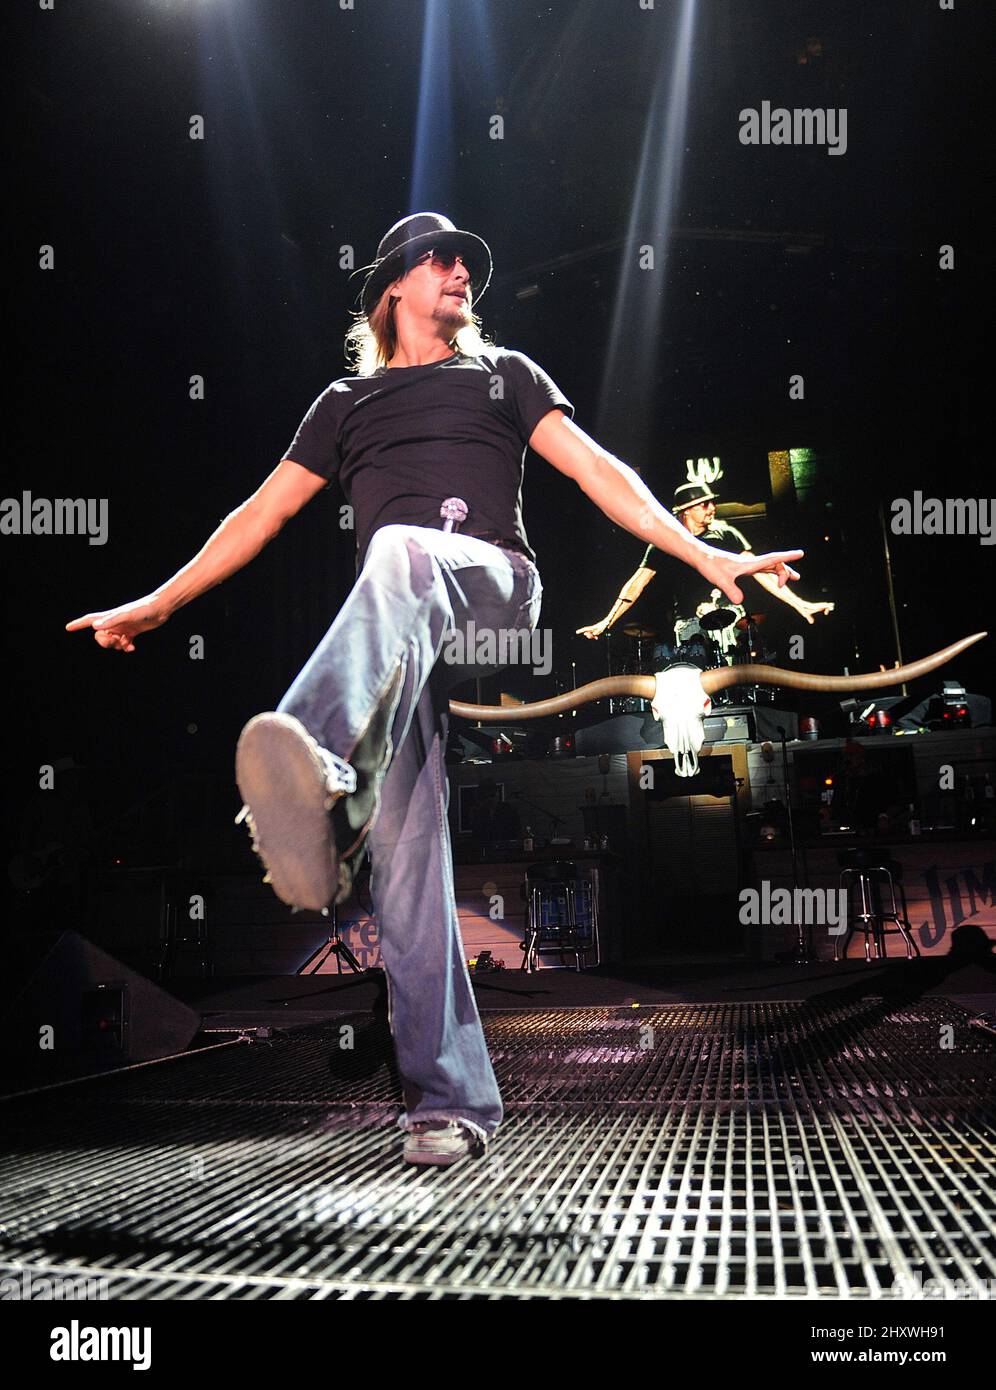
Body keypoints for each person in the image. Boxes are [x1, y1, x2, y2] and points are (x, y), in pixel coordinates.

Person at [67, 212, 804, 1167]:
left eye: (468, 264)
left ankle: (317, 759)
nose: (462, 273)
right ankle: (446, 1103)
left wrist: (697, 549)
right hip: (398, 641)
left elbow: (594, 470)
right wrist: (162, 603)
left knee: (401, 549)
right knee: (409, 858)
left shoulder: (505, 376)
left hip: (495, 590)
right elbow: (262, 512)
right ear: (394, 288)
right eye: (440, 260)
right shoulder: (344, 403)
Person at [577, 460, 834, 665]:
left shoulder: (727, 534)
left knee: (734, 668)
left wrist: (800, 603)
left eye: (712, 502)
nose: (712, 507)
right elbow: (636, 584)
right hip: (689, 627)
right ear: (686, 511)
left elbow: (761, 572)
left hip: (729, 621)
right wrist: (607, 621)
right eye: (704, 504)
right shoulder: (664, 542)